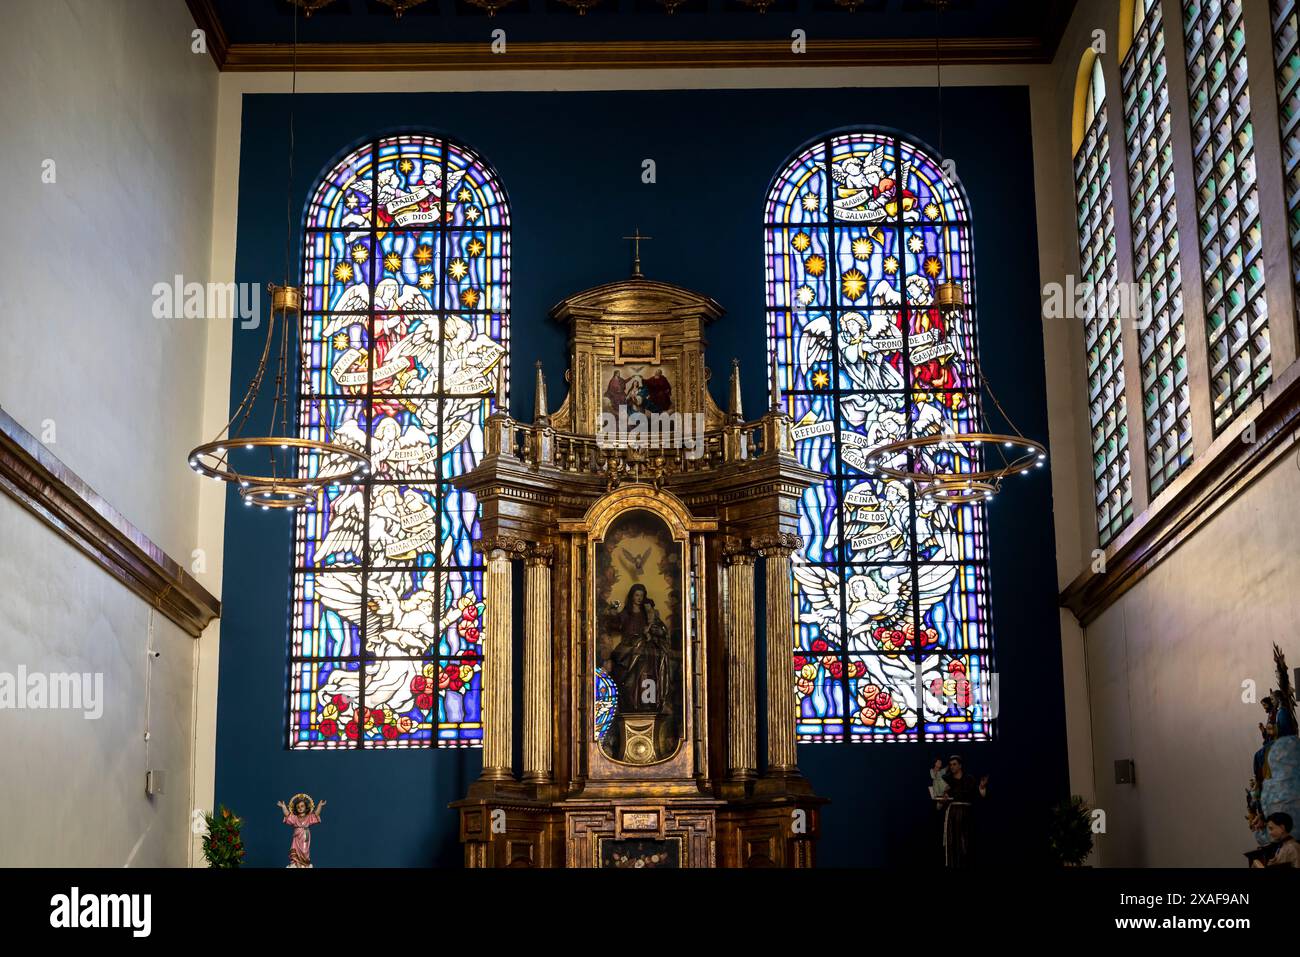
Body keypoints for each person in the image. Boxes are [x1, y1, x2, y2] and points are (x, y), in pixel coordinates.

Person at [935, 755, 987, 868]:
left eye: (954, 764)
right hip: (952, 815)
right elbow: (939, 801)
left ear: (960, 765)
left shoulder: (969, 779)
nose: (952, 767)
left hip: (966, 814)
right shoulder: (946, 779)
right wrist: (943, 799)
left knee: (966, 843)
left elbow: (978, 795)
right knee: (953, 843)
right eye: (950, 765)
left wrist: (982, 787)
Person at [278, 794, 326, 868]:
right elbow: (287, 815)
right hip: (296, 837)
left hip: (305, 836)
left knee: (304, 851)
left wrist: (320, 805)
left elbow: (316, 814)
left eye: (302, 806)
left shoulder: (309, 817)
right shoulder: (295, 818)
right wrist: (283, 807)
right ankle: (297, 865)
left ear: (306, 807)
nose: (300, 808)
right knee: (295, 851)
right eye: (298, 807)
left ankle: (305, 864)